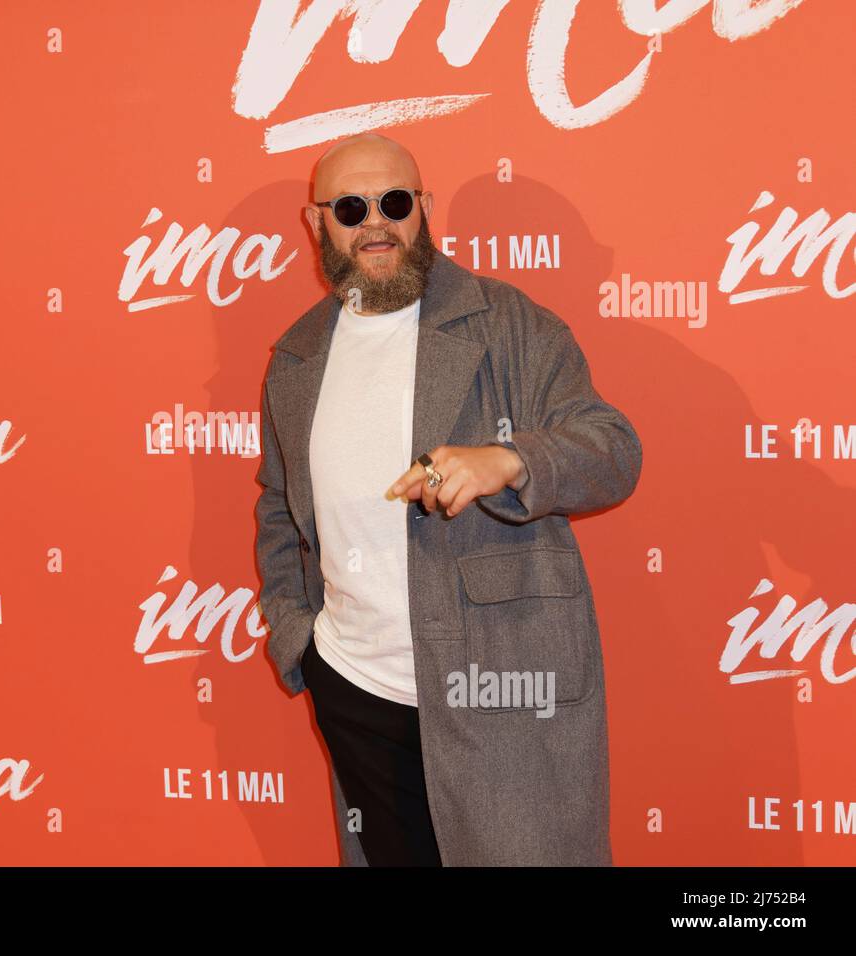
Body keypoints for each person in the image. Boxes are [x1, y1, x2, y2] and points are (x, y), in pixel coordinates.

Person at [254, 132, 642, 866]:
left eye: (396, 202)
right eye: (351, 207)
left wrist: (510, 459)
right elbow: (279, 508)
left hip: (500, 683)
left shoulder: (507, 322)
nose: (377, 222)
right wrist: (297, 637)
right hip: (356, 689)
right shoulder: (296, 357)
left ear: (425, 209)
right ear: (317, 224)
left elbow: (615, 448)